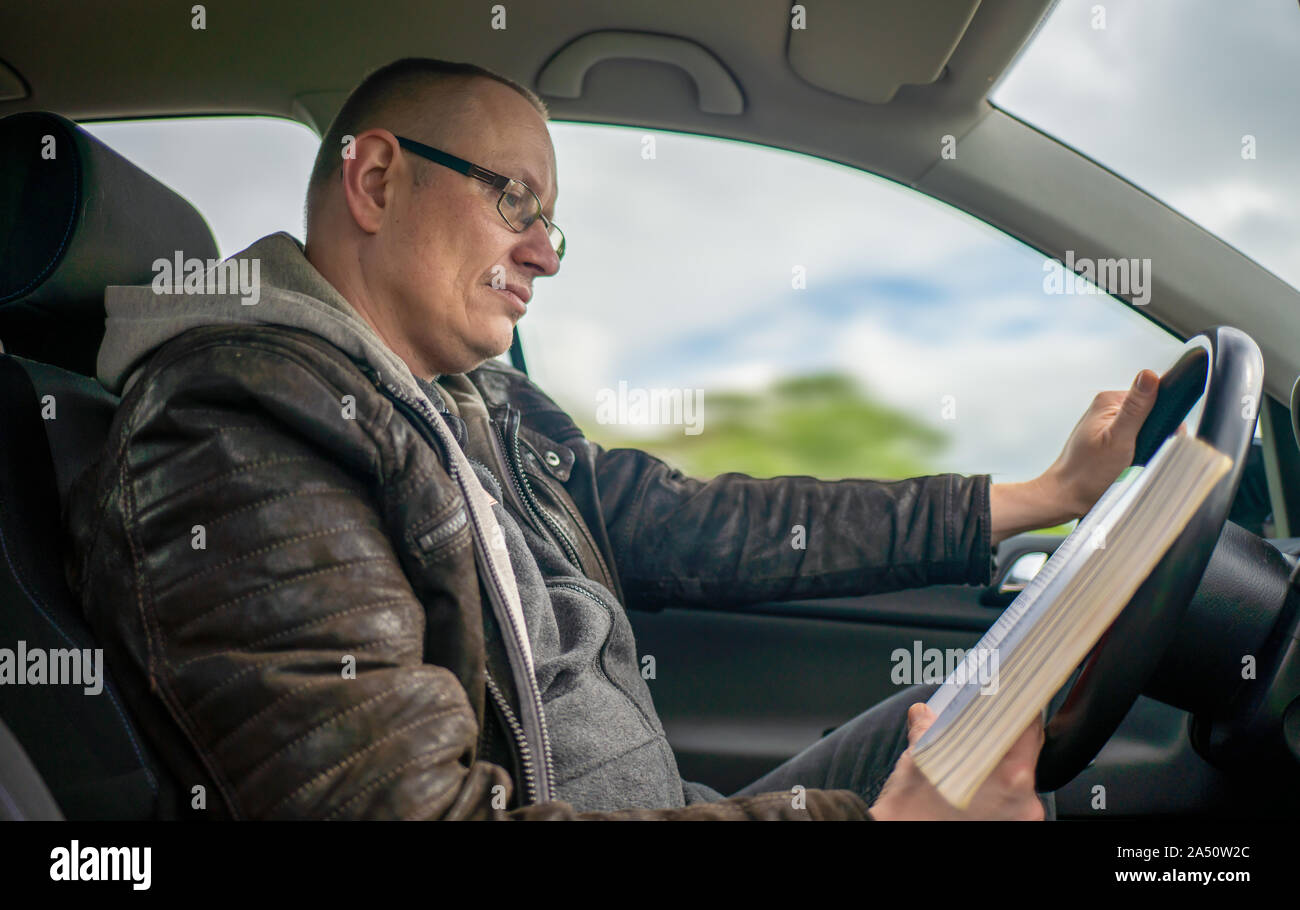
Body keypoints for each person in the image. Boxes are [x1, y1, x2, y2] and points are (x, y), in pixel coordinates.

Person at [63, 57, 1163, 820]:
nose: (545, 253)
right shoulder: (238, 429)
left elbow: (710, 522)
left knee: (998, 707)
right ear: (377, 177)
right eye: (514, 201)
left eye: (553, 222)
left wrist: (1044, 490)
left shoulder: (483, 409)